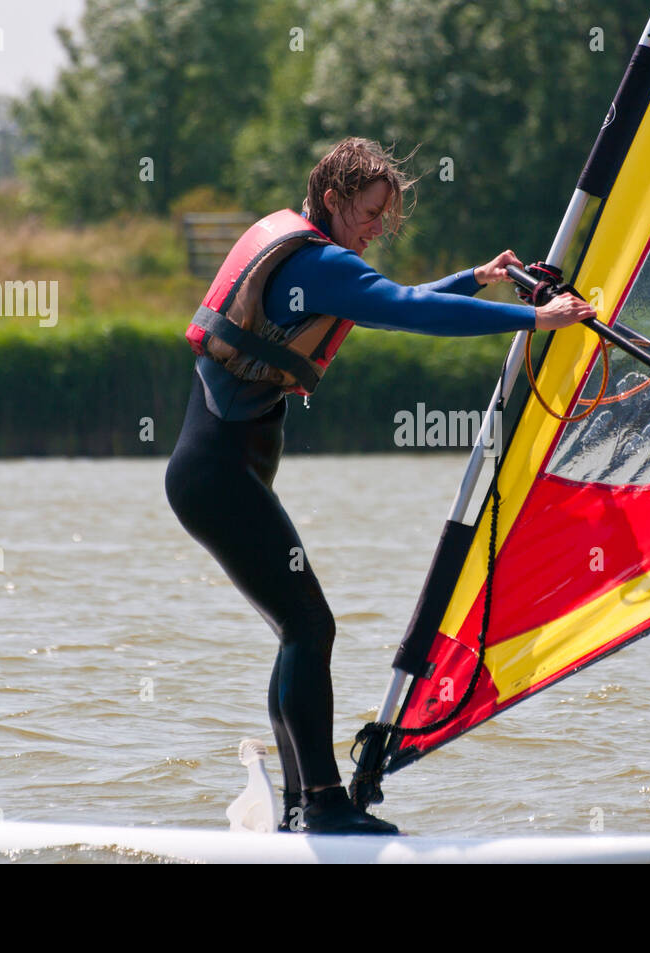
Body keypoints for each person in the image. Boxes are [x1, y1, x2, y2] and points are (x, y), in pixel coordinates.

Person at [165, 137, 594, 834]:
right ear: (332, 200)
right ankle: (324, 807)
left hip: (213, 478)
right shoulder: (321, 262)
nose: (375, 230)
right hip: (218, 478)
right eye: (369, 214)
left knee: (298, 628)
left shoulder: (313, 260)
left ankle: (308, 804)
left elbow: (400, 300)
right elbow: (408, 311)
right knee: (310, 626)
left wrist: (476, 276)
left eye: (383, 219)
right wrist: (535, 317)